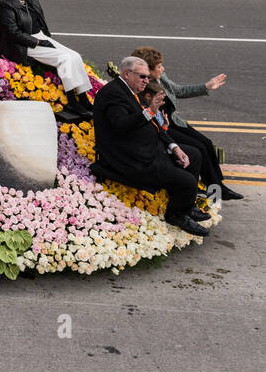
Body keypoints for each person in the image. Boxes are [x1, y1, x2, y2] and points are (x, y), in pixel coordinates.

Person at [90, 56, 208, 237]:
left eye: (147, 77)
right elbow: (120, 125)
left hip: (148, 147)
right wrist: (150, 111)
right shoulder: (113, 93)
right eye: (142, 76)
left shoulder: (132, 89)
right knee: (188, 182)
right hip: (131, 157)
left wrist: (174, 147)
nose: (147, 80)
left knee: (194, 154)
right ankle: (176, 215)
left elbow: (153, 125)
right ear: (127, 74)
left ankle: (187, 206)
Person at [130, 47, 242, 202]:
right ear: (147, 70)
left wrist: (206, 86)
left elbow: (179, 90)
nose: (163, 68)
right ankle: (208, 187)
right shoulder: (142, 85)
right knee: (199, 149)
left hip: (173, 121)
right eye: (159, 67)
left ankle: (218, 186)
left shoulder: (162, 77)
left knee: (207, 143)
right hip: (162, 127)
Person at [0, 0, 93, 120]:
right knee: (65, 59)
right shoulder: (6, 5)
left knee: (75, 56)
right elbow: (12, 33)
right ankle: (73, 102)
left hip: (39, 37)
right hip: (24, 45)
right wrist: (38, 42)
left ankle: (84, 98)